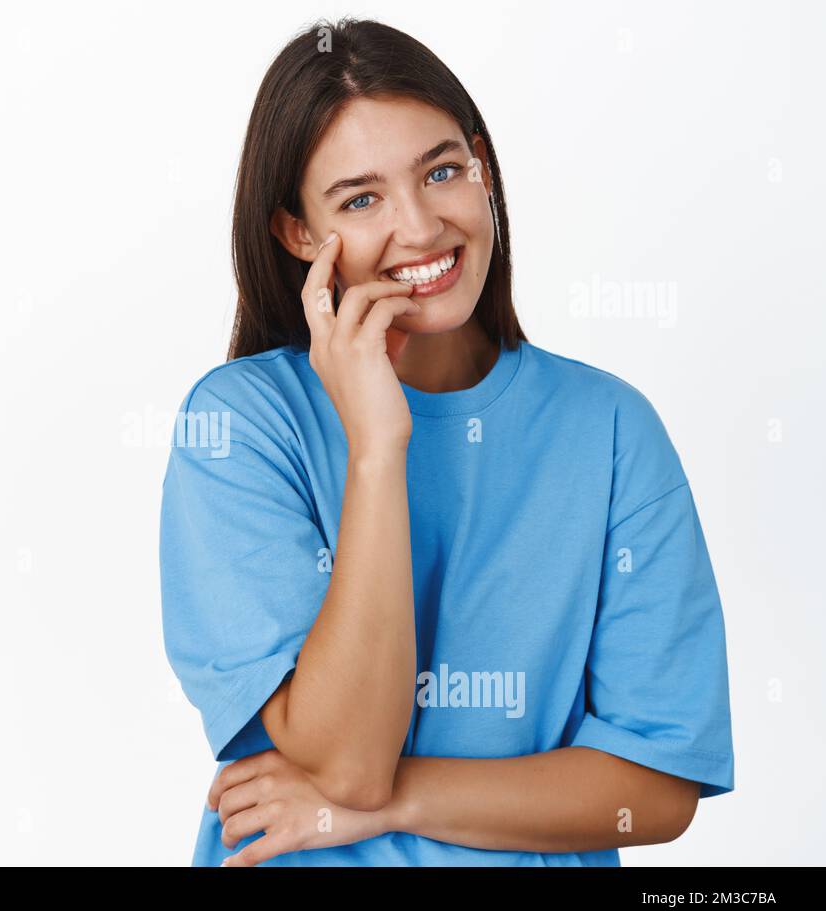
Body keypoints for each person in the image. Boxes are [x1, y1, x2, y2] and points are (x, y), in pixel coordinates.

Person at [157, 17, 735, 866]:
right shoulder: (240, 427)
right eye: (360, 199)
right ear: (298, 235)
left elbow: (654, 788)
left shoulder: (610, 430)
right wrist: (378, 444)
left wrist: (394, 801)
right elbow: (348, 761)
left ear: (483, 169)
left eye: (441, 171)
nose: (422, 228)